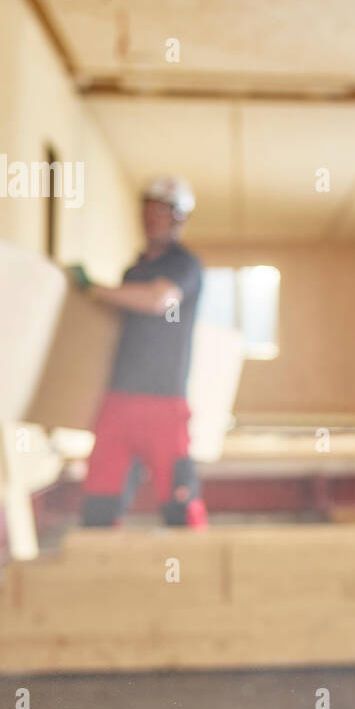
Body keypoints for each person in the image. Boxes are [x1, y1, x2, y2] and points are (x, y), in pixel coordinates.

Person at [68, 175, 209, 530]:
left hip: (163, 402)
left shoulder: (184, 265)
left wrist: (94, 289)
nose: (151, 218)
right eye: (147, 210)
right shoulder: (134, 271)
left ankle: (195, 573)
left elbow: (159, 300)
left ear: (178, 218)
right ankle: (98, 570)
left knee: (179, 500)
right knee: (99, 499)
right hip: (119, 398)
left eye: (161, 211)